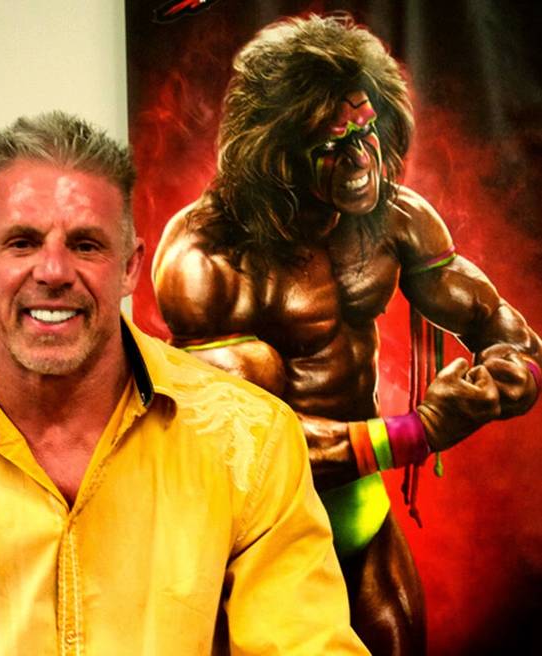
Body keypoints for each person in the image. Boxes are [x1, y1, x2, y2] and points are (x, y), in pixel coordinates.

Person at [0, 111, 368, 654]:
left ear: (130, 267)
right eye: (22, 242)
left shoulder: (251, 443)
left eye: (86, 245)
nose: (54, 272)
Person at [151, 14, 542, 656]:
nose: (363, 159)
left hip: (361, 513)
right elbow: (237, 446)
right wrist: (419, 431)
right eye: (334, 144)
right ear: (277, 150)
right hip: (257, 536)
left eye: (367, 131)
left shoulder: (395, 219)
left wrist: (511, 375)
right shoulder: (208, 258)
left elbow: (500, 325)